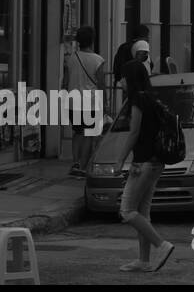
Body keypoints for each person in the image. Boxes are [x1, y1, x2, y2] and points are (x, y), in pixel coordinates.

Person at [115, 60, 175, 272]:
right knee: (142, 211)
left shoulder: (138, 99)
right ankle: (144, 260)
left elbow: (134, 132)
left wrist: (120, 160)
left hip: (144, 163)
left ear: (130, 78)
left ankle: (161, 245)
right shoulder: (152, 98)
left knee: (127, 211)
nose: (120, 81)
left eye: (122, 76)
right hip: (155, 162)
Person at [64, 26, 106, 178]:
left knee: (77, 133)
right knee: (88, 134)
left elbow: (65, 81)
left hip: (73, 101)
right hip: (91, 102)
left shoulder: (71, 58)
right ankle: (82, 167)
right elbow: (101, 84)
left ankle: (75, 163)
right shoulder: (98, 60)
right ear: (92, 41)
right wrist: (104, 103)